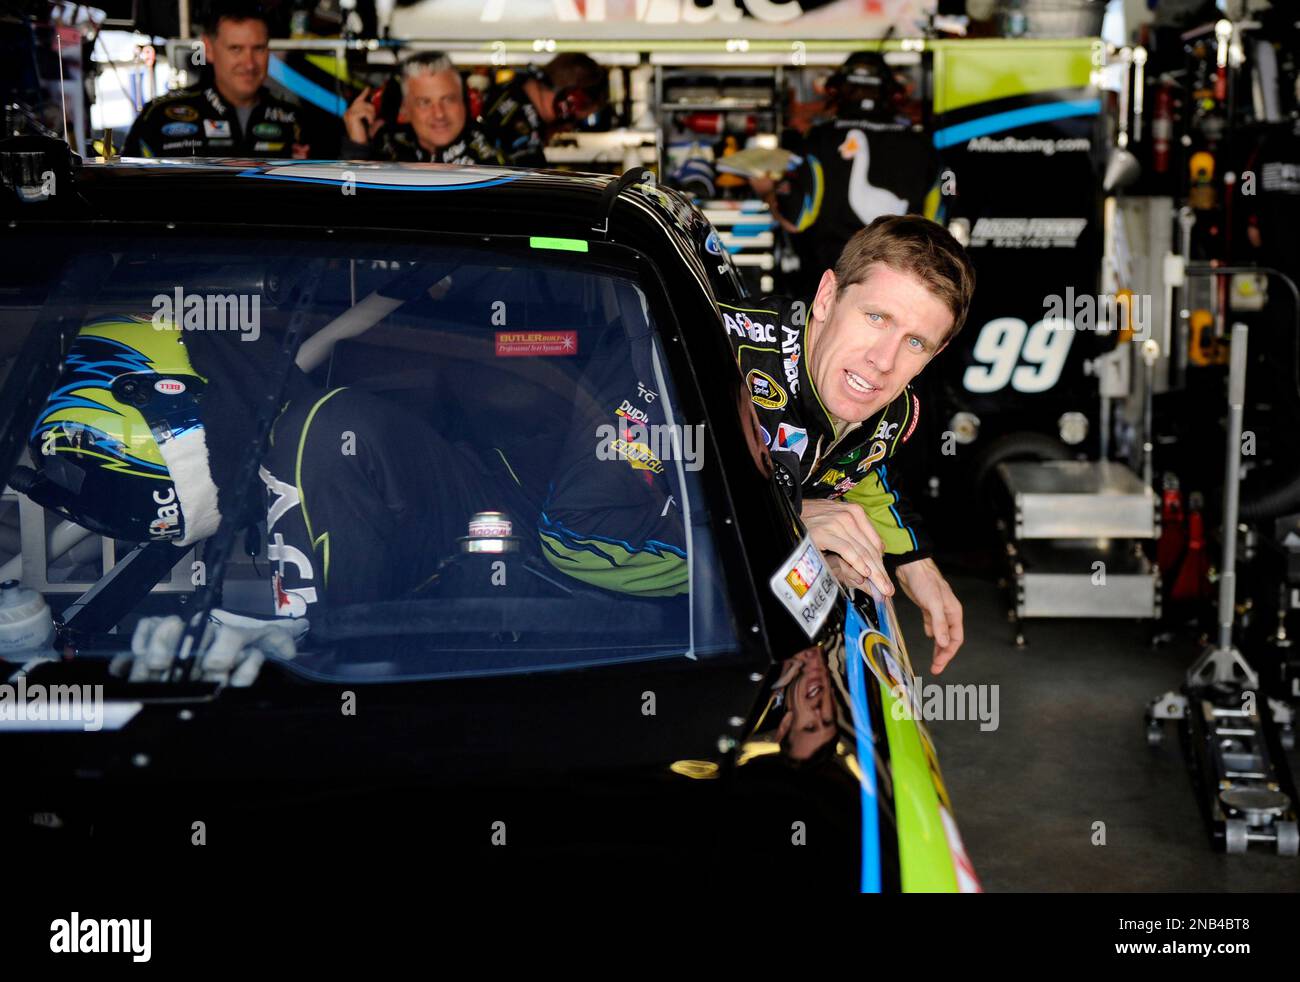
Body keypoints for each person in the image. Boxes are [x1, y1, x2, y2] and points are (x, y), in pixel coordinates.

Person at [720, 215, 973, 674]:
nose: (883, 361)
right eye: (876, 317)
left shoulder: (893, 414)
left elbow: (861, 470)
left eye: (914, 342)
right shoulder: (723, 352)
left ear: (934, 355)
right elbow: (600, 504)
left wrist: (914, 560)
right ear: (825, 298)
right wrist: (782, 521)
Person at [752, 52, 939, 297]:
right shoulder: (922, 146)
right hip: (900, 286)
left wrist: (766, 191)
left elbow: (796, 219)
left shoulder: (820, 139)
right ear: (891, 94)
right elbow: (937, 231)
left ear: (838, 91)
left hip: (833, 286)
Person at [122, 0, 309, 159]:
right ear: (209, 49)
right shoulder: (160, 115)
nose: (250, 64)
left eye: (258, 48)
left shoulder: (294, 118)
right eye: (236, 49)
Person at [340, 52, 504, 165]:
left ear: (465, 103)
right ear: (405, 111)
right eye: (425, 102)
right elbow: (351, 198)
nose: (439, 113)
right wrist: (357, 148)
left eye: (448, 99)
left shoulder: (492, 163)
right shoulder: (386, 147)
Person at [476, 53, 608, 168]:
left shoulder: (511, 95)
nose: (571, 127)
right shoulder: (515, 125)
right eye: (577, 117)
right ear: (571, 101)